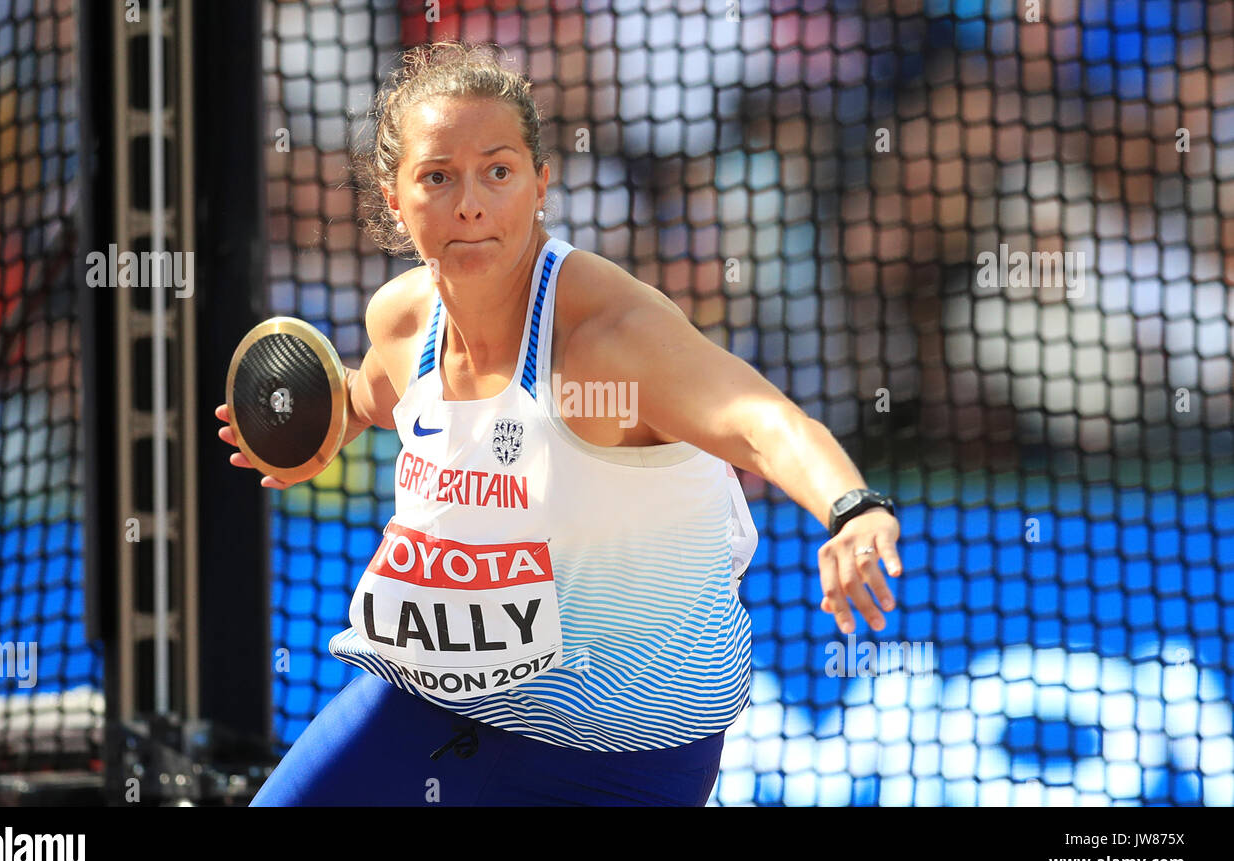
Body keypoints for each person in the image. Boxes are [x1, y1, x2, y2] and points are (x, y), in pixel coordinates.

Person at [216, 42, 902, 806]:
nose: (469, 202)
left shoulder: (607, 339)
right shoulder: (403, 323)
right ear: (393, 196)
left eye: (498, 172)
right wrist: (314, 431)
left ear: (541, 184)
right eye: (437, 177)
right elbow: (364, 397)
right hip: (428, 703)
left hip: (623, 747)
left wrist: (851, 506)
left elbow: (760, 421)